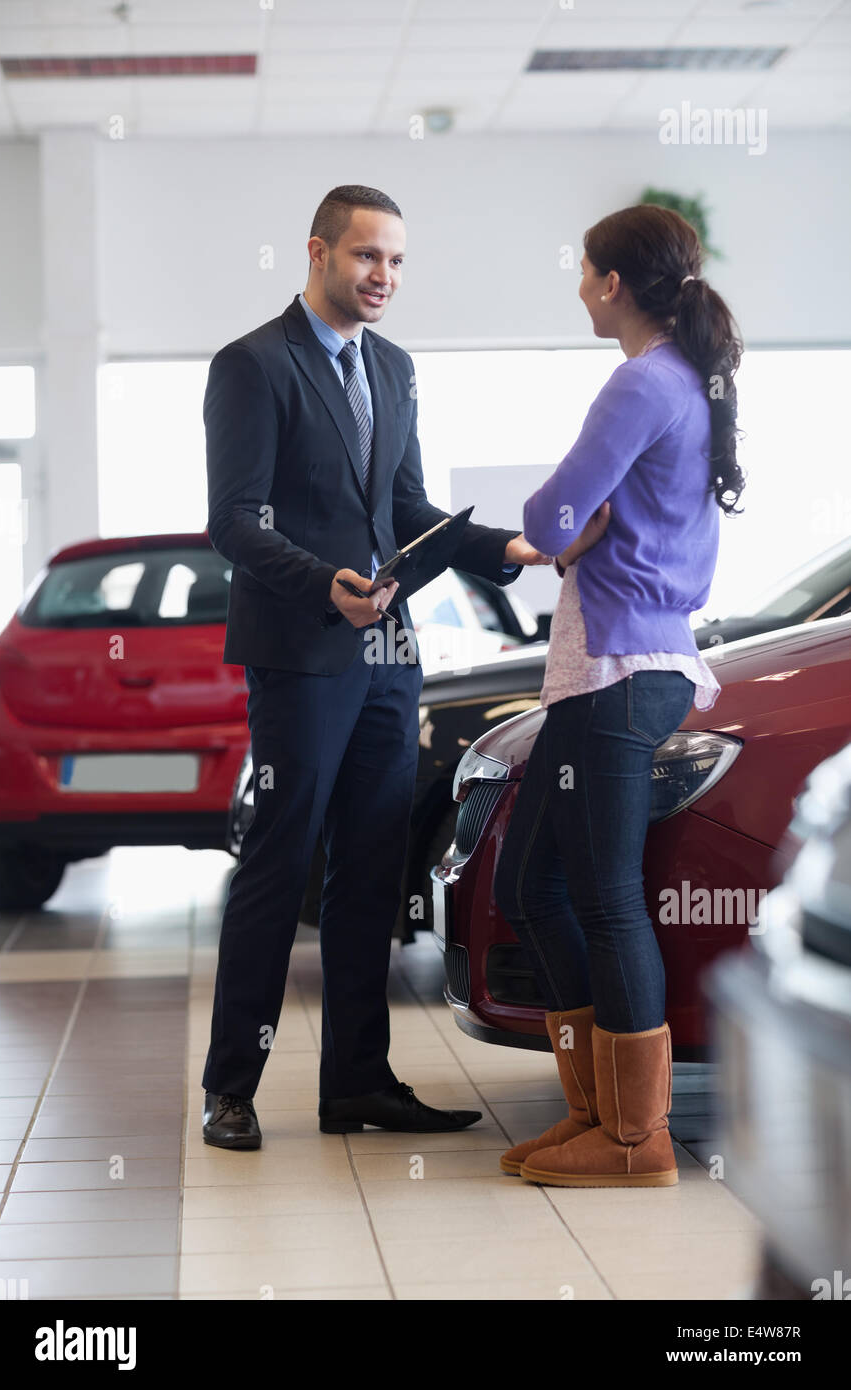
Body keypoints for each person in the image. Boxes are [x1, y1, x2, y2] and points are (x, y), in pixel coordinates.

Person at [201, 184, 550, 1149]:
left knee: (370, 866)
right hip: (303, 654)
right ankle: (230, 1088)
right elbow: (232, 519)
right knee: (279, 865)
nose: (384, 277)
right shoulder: (252, 365)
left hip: (392, 659)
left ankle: (356, 1082)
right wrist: (326, 586)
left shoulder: (391, 369)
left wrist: (511, 550)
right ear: (317, 254)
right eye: (367, 258)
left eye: (396, 261)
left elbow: (407, 506)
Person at [493, 203, 745, 1188]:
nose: (578, 285)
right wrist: (575, 527)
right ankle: (594, 1111)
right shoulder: (682, 378)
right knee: (531, 887)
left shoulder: (640, 382)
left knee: (598, 895)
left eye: (583, 270)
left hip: (618, 672)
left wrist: (568, 526)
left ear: (608, 282)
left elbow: (546, 515)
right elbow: (571, 523)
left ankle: (634, 1140)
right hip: (608, 669)